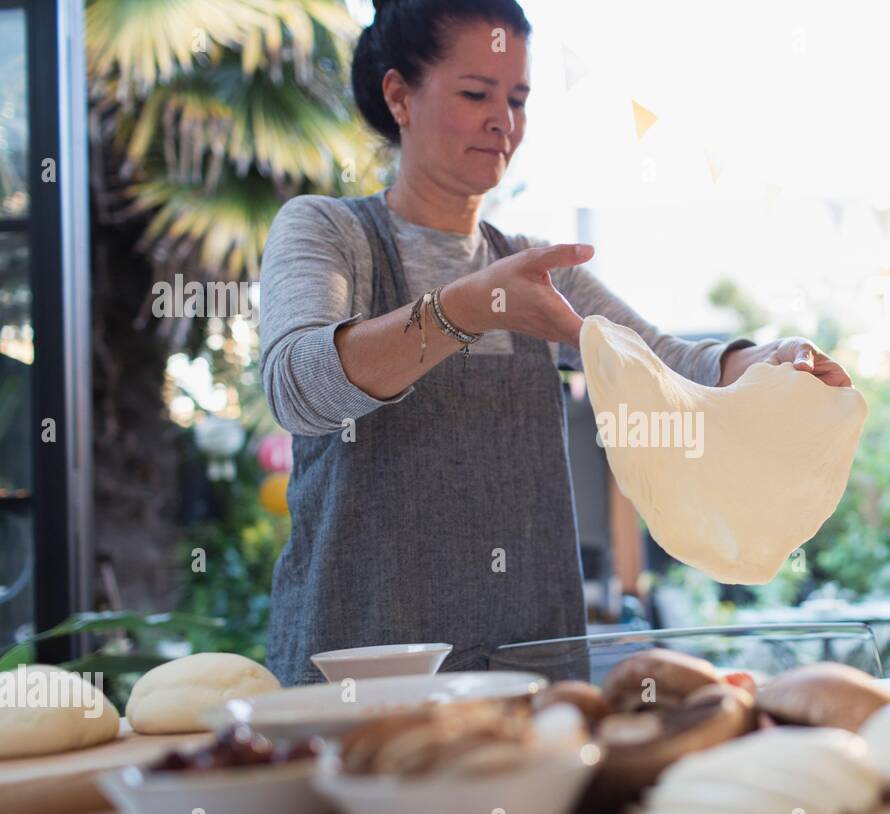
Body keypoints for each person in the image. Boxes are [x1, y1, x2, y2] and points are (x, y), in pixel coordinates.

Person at [258, 0, 851, 685]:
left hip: (531, 669)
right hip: (358, 675)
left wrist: (764, 363)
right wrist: (469, 308)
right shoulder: (327, 233)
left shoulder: (538, 266)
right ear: (400, 95)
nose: (502, 122)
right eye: (476, 93)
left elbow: (667, 361)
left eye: (518, 99)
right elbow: (298, 389)